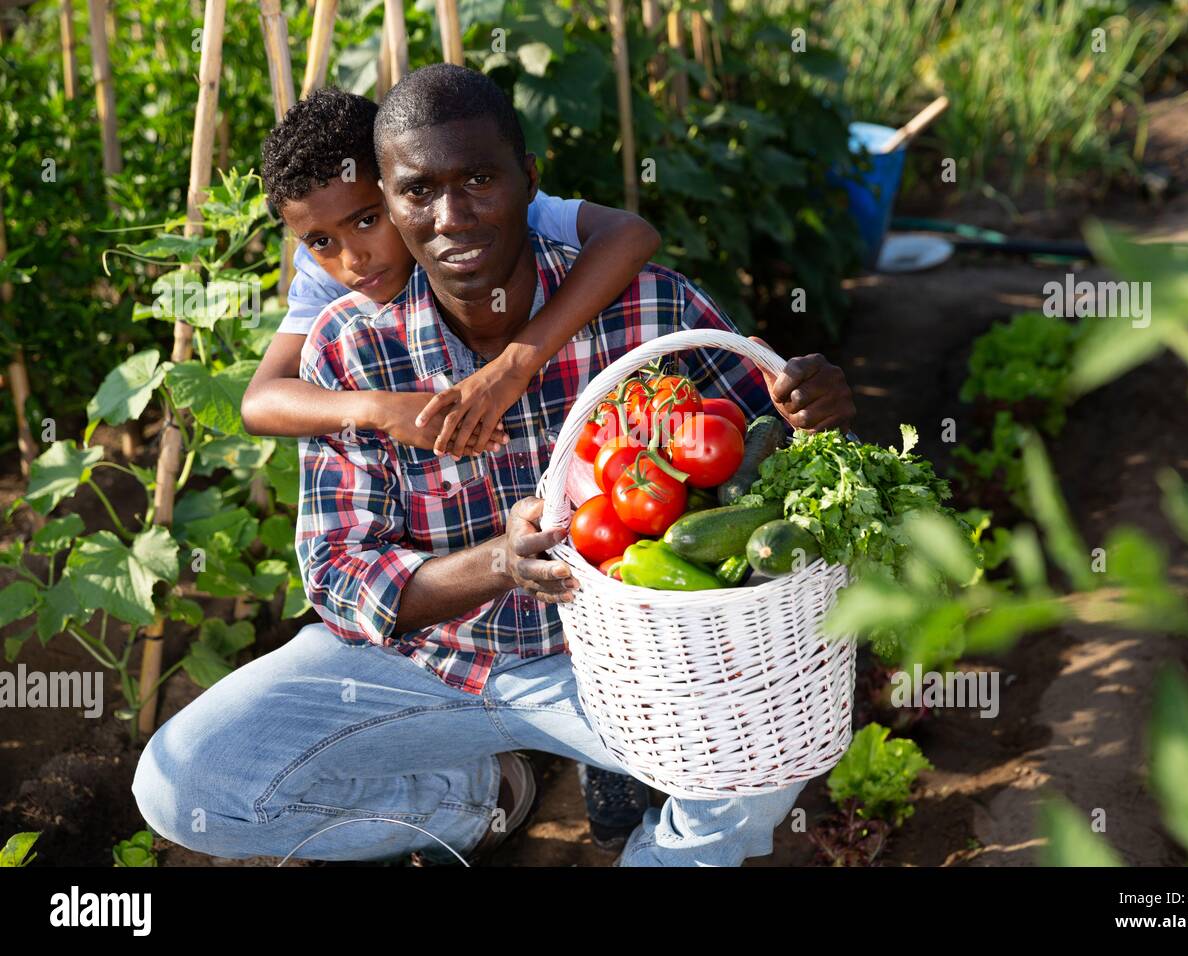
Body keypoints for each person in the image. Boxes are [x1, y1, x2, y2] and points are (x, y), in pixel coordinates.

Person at [133, 63, 856, 866]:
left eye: (480, 179)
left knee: (763, 747)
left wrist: (808, 412)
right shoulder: (352, 348)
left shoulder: (648, 306)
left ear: (529, 181)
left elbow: (774, 460)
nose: (452, 217)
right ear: (393, 200)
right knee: (189, 782)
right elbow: (338, 573)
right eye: (418, 193)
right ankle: (468, 803)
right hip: (431, 666)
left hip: (628, 670)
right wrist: (500, 565)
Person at [244, 87, 659, 847]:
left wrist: (514, 364)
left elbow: (631, 234)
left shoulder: (506, 216)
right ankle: (478, 788)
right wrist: (376, 407)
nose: (353, 257)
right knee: (199, 777)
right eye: (322, 243)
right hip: (459, 641)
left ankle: (609, 752)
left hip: (611, 636)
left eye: (366, 221)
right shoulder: (344, 313)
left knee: (722, 772)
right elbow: (262, 400)